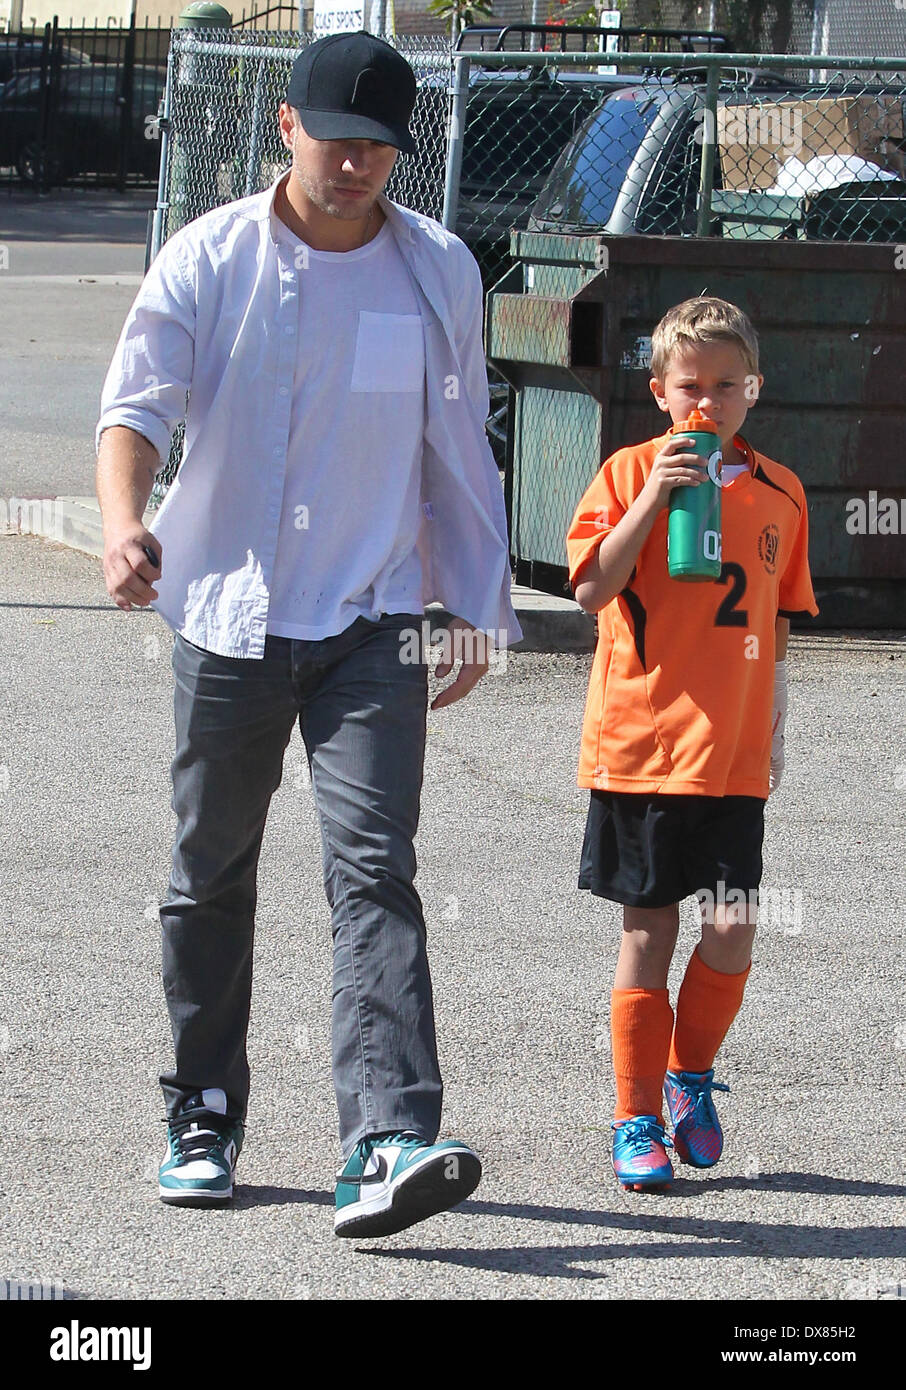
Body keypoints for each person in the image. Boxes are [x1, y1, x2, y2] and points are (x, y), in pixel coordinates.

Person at [95, 30, 521, 1238]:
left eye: (380, 149)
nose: (356, 167)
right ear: (287, 127)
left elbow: (457, 445)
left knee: (374, 870)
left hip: (372, 618)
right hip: (227, 613)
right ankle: (202, 1109)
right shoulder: (211, 256)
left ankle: (386, 1137)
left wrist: (478, 600)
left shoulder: (435, 268)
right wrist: (127, 524)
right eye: (337, 141)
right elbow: (136, 408)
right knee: (209, 873)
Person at [566, 296, 817, 1192]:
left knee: (734, 924)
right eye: (688, 387)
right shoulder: (629, 470)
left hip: (732, 753)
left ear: (753, 387)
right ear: (659, 392)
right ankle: (632, 1115)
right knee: (648, 926)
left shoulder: (781, 490)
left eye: (724, 384)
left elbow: (780, 619)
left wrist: (775, 719)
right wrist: (660, 497)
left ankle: (689, 1077)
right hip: (642, 742)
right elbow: (592, 590)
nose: (706, 402)